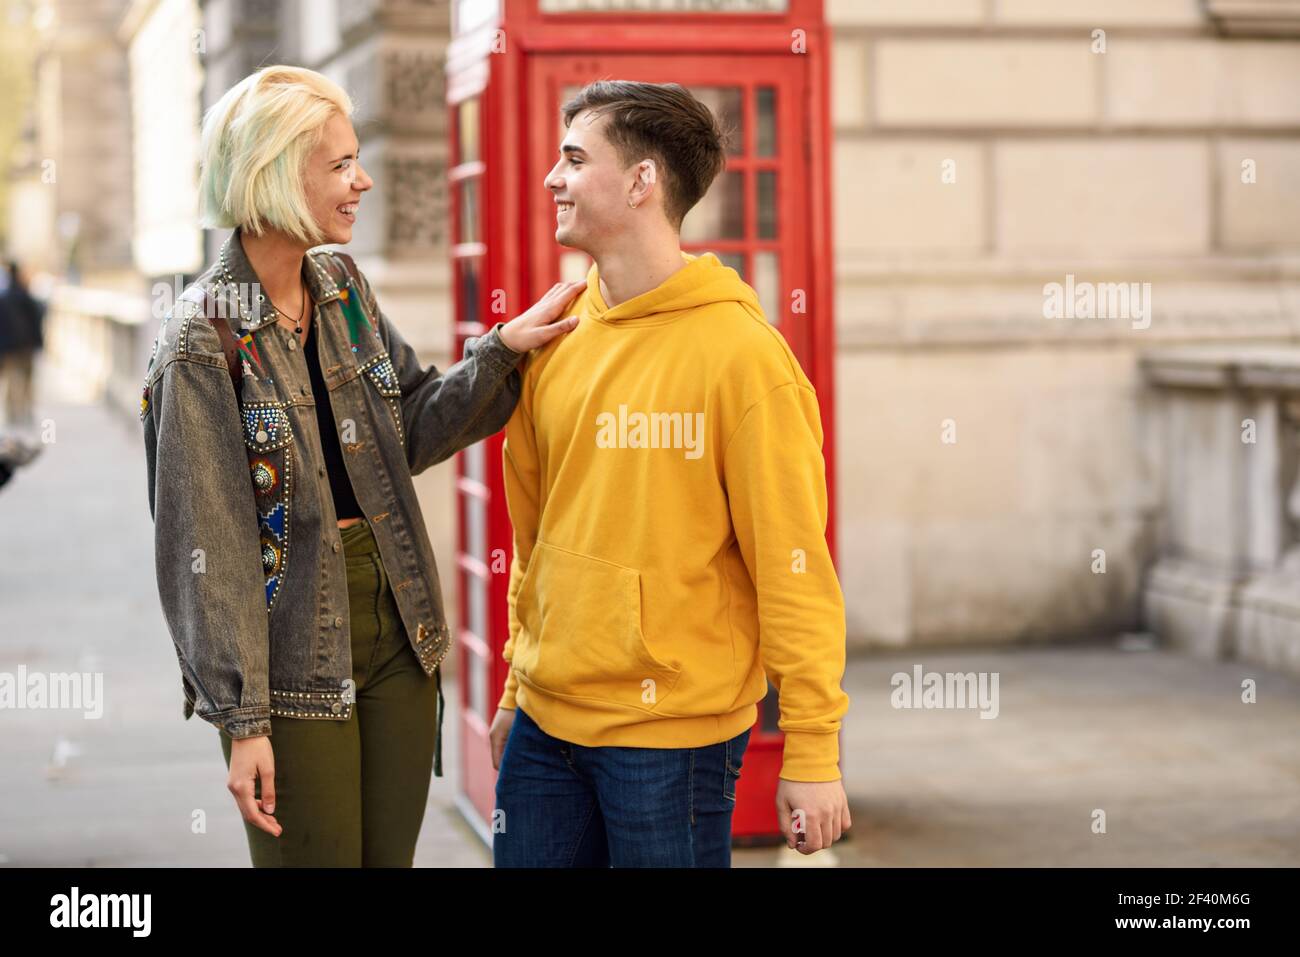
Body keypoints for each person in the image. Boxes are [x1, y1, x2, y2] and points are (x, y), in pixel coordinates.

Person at [141, 65, 583, 867]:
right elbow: (207, 554)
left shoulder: (341, 287)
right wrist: (243, 722)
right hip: (293, 647)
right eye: (342, 164)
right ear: (276, 175)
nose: (364, 180)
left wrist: (500, 354)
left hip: (398, 625)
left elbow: (406, 428)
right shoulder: (200, 340)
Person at [488, 80, 851, 868]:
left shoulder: (744, 358)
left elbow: (794, 564)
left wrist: (813, 748)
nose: (553, 177)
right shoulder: (554, 337)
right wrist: (519, 685)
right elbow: (538, 538)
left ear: (643, 181)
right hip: (546, 730)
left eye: (575, 158)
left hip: (672, 742)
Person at [0, 260, 45, 432]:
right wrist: (39, 343)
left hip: (9, 348)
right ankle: (26, 411)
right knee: (27, 380)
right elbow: (36, 322)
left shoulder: (3, 299)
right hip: (26, 347)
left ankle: (13, 413)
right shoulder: (26, 296)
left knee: (12, 381)